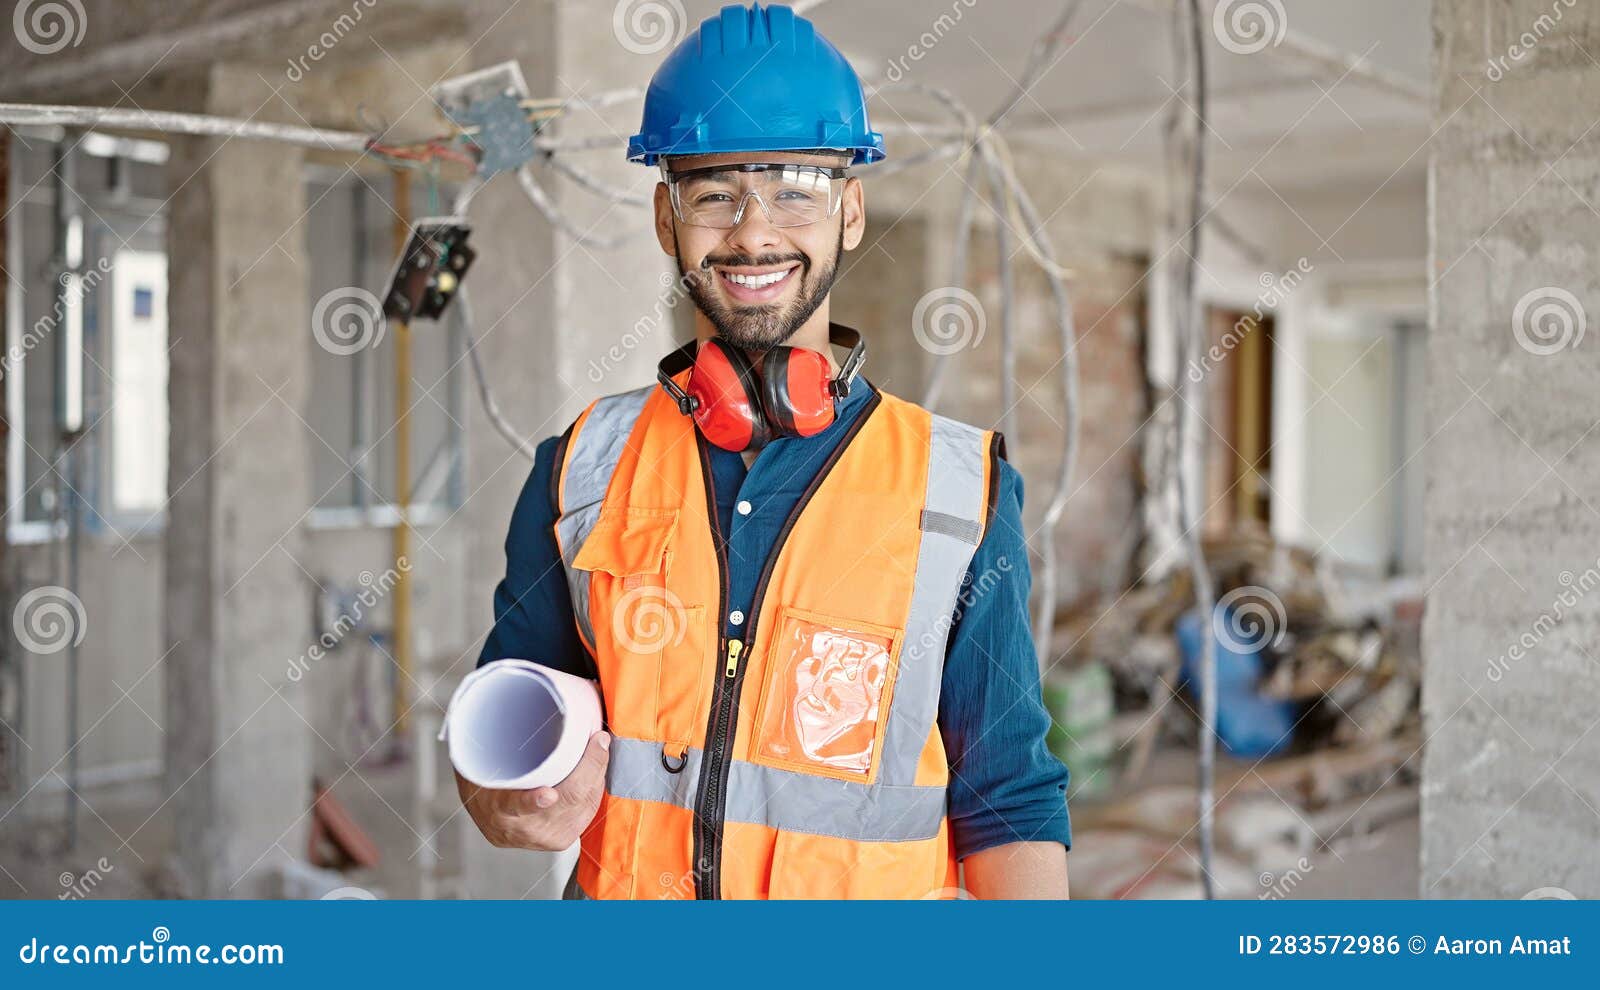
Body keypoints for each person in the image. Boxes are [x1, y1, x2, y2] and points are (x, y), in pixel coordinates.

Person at [460, 1, 1070, 899]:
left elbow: (1010, 799)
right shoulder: (580, 468)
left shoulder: (961, 491)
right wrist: (504, 803)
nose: (752, 231)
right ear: (667, 220)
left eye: (796, 187)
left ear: (851, 211)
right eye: (712, 192)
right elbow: (503, 742)